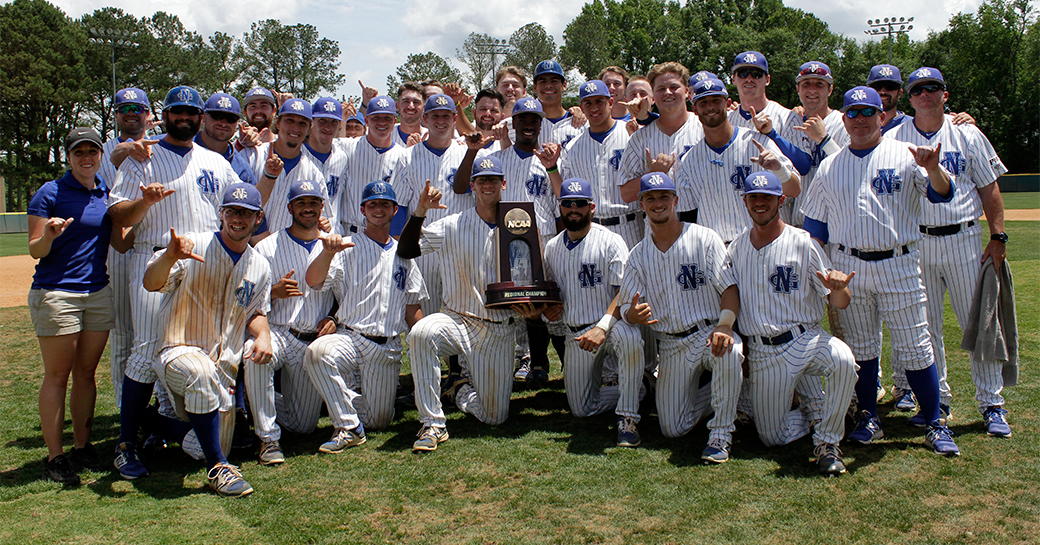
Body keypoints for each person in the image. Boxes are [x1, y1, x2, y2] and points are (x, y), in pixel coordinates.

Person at [799, 86, 961, 456]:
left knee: (916, 346)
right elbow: (814, 229)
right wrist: (822, 270)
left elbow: (943, 193)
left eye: (868, 112)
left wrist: (933, 168)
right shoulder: (829, 166)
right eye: (853, 113)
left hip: (898, 262)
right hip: (849, 265)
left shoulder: (906, 154)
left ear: (882, 117)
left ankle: (935, 422)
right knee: (861, 348)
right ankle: (868, 416)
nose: (860, 119)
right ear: (844, 120)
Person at [107, 85, 243, 480]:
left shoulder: (215, 161)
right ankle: (126, 444)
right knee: (147, 351)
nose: (183, 117)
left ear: (200, 117)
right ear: (164, 115)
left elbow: (238, 205)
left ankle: (168, 426)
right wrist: (145, 202)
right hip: (156, 257)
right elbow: (119, 216)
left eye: (190, 111)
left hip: (203, 264)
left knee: (201, 349)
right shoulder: (143, 157)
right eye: (176, 111)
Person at [893, 67, 1011, 437]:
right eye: (918, 90)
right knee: (926, 328)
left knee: (980, 322)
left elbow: (989, 187)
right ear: (909, 97)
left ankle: (991, 402)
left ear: (945, 94)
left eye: (932, 88)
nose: (925, 94)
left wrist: (998, 236)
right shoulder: (895, 138)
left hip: (963, 238)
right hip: (917, 242)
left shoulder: (967, 134)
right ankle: (938, 400)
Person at [722, 170, 858, 476]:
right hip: (764, 352)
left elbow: (840, 302)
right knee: (773, 438)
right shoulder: (736, 248)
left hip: (805, 338)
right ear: (745, 201)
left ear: (781, 200)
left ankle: (828, 442)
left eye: (767, 198)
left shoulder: (803, 242)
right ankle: (816, 412)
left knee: (843, 359)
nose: (760, 203)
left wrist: (839, 288)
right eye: (754, 197)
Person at [143, 182, 272, 497]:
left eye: (246, 213)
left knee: (205, 444)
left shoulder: (259, 265)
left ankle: (154, 422)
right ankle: (219, 469)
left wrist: (264, 335)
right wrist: (169, 257)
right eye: (232, 211)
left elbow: (255, 312)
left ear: (258, 218)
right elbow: (151, 283)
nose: (238, 219)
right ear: (221, 213)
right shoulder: (192, 245)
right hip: (178, 351)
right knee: (200, 374)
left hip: (222, 367)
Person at [618, 172, 743, 463]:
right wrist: (631, 314)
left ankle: (721, 434)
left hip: (708, 332)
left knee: (730, 351)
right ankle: (729, 392)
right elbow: (625, 305)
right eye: (650, 198)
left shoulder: (704, 238)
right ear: (642, 205)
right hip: (671, 344)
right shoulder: (638, 255)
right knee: (673, 428)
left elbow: (729, 288)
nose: (658, 203)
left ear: (675, 200)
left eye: (664, 197)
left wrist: (725, 324)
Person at [397, 156, 520, 450]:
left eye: (493, 179)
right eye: (481, 180)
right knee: (422, 333)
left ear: (503, 183)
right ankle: (432, 424)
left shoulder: (518, 223)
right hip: (458, 320)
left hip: (499, 328)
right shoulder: (451, 224)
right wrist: (420, 211)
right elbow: (407, 249)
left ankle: (459, 390)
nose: (487, 184)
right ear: (472, 186)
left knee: (494, 417)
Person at [28, 128, 124, 484]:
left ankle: (83, 447)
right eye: (78, 152)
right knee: (57, 375)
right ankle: (55, 457)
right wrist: (49, 236)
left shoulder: (106, 192)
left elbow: (122, 243)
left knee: (86, 373)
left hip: (97, 292)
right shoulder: (50, 192)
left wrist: (145, 206)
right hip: (57, 293)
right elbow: (35, 249)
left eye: (92, 151)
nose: (86, 157)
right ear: (68, 157)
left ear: (100, 155)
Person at [305, 182, 426, 451]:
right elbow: (313, 281)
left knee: (378, 421)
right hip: (351, 337)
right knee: (317, 353)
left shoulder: (404, 254)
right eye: (372, 204)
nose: (378, 209)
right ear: (363, 210)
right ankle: (348, 427)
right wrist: (327, 252)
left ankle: (344, 398)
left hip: (386, 347)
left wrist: (424, 344)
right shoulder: (347, 246)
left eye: (384, 204)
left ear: (395, 210)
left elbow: (412, 308)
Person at [535, 178, 645, 446]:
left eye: (580, 203)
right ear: (560, 207)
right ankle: (638, 389)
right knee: (582, 408)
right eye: (568, 203)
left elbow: (623, 293)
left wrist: (602, 327)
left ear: (591, 207)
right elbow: (555, 296)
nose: (574, 208)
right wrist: (549, 310)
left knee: (630, 337)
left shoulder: (611, 240)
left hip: (611, 325)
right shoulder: (552, 248)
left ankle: (627, 416)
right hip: (577, 335)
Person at [246, 179, 335, 465]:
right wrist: (273, 292)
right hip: (278, 331)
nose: (307, 208)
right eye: (301, 203)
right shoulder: (266, 247)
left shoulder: (334, 244)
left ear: (322, 206)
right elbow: (246, 301)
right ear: (289, 208)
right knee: (254, 355)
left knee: (302, 426)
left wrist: (333, 317)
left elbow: (345, 295)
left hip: (312, 341)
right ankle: (268, 439)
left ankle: (252, 398)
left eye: (313, 203)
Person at [674, 77, 799, 242]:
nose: (710, 107)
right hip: (713, 250)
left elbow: (794, 190)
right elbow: (687, 218)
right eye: (703, 102)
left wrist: (779, 170)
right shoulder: (688, 161)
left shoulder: (757, 142)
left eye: (716, 100)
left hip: (758, 245)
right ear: (695, 109)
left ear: (727, 104)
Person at [98, 87, 154, 408]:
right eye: (124, 109)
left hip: (153, 245)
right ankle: (126, 410)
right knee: (123, 333)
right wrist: (122, 154)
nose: (131, 114)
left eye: (138, 108)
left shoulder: (161, 146)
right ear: (116, 115)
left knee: (157, 330)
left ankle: (160, 406)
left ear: (148, 114)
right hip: (118, 249)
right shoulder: (102, 149)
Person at [555, 80, 642, 248]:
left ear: (610, 102)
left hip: (629, 225)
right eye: (588, 103)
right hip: (591, 229)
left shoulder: (630, 134)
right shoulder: (573, 147)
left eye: (599, 101)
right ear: (581, 107)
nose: (594, 108)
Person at [618, 62, 704, 222]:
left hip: (702, 222)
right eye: (661, 89)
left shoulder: (705, 128)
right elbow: (626, 194)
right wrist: (652, 174)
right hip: (658, 226)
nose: (668, 92)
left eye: (674, 87)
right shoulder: (640, 137)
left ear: (687, 92)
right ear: (653, 96)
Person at [245, 98, 326, 241]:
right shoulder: (251, 155)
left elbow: (323, 218)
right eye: (290, 120)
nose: (295, 128)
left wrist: (324, 223)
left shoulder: (314, 173)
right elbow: (240, 205)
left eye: (302, 123)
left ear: (309, 129)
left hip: (291, 250)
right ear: (278, 122)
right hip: (247, 246)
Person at [335, 96, 409, 235]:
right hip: (350, 232)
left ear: (394, 121)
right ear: (367, 121)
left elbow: (401, 206)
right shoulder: (347, 146)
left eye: (387, 118)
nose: (382, 122)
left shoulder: (403, 156)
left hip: (385, 234)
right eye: (376, 118)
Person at [304, 96, 350, 230]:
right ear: (312, 122)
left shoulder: (342, 157)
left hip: (333, 235)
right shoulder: (297, 154)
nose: (328, 127)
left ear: (340, 125)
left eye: (333, 122)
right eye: (322, 121)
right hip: (302, 234)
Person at [392, 82, 428, 147]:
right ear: (397, 106)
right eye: (406, 101)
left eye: (416, 102)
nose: (411, 106)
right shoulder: (385, 135)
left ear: (423, 108)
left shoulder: (432, 137)